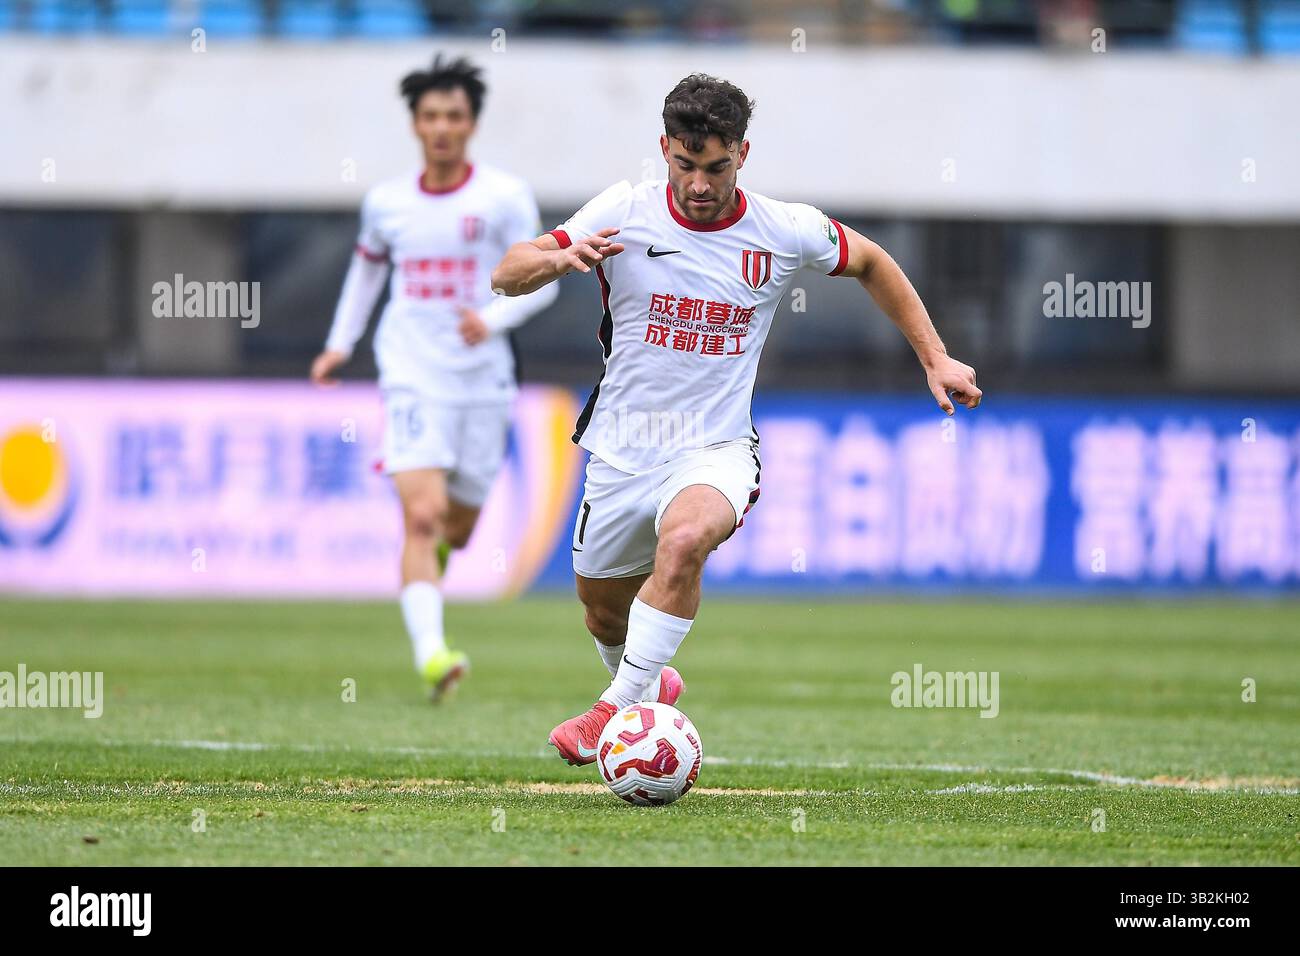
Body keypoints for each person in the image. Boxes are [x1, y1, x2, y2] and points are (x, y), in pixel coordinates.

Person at [490, 74, 980, 761]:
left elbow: (871, 260)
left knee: (686, 540)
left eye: (716, 167)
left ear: (742, 155)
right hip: (621, 449)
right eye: (685, 165)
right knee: (604, 611)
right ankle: (645, 683)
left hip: (713, 448)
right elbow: (505, 274)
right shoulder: (623, 211)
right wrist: (554, 258)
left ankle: (614, 712)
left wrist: (935, 357)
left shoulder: (782, 229)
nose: (698, 183)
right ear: (664, 148)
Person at [311, 55, 557, 700]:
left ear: (471, 122)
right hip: (411, 371)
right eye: (430, 116)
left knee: (459, 528)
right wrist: (339, 345)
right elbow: (366, 274)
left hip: (482, 378)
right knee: (421, 518)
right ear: (416, 124)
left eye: (454, 115)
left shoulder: (503, 197)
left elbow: (544, 277)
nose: (442, 127)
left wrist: (494, 319)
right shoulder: (387, 203)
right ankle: (432, 653)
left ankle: (436, 568)